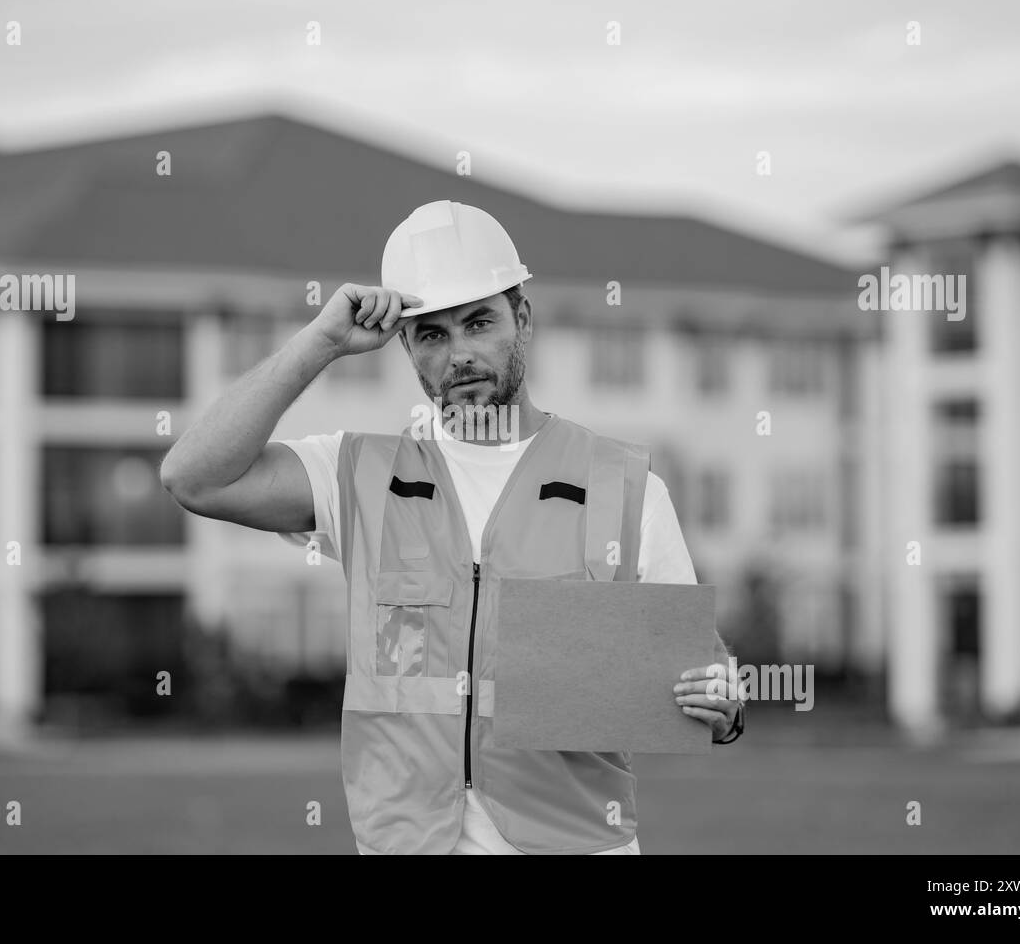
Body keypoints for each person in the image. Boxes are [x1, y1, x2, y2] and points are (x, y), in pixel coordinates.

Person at [160, 200, 745, 855]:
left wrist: (723, 703)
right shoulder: (357, 473)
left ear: (522, 319)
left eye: (479, 322)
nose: (460, 353)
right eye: (433, 334)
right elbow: (194, 477)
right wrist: (319, 343)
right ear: (404, 345)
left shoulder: (625, 485)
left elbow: (695, 670)